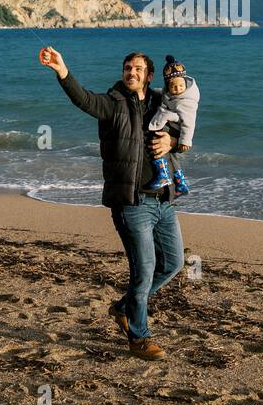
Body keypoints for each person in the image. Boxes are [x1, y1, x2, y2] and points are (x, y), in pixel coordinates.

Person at [39, 46, 183, 361]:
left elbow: (184, 129)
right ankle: (138, 336)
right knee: (143, 271)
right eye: (127, 68)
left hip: (163, 199)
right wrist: (62, 70)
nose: (131, 73)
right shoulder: (112, 104)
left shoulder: (162, 102)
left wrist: (172, 141)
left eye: (138, 69)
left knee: (173, 264)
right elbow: (83, 99)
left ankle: (122, 308)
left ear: (149, 75)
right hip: (132, 204)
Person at [144, 55, 199, 195]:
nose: (177, 88)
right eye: (173, 86)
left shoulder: (185, 101)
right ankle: (180, 181)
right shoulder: (171, 94)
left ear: (186, 83)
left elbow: (189, 122)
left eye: (180, 85)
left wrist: (185, 140)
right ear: (167, 86)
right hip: (173, 124)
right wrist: (151, 92)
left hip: (177, 127)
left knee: (155, 140)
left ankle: (163, 174)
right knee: (168, 151)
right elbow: (163, 95)